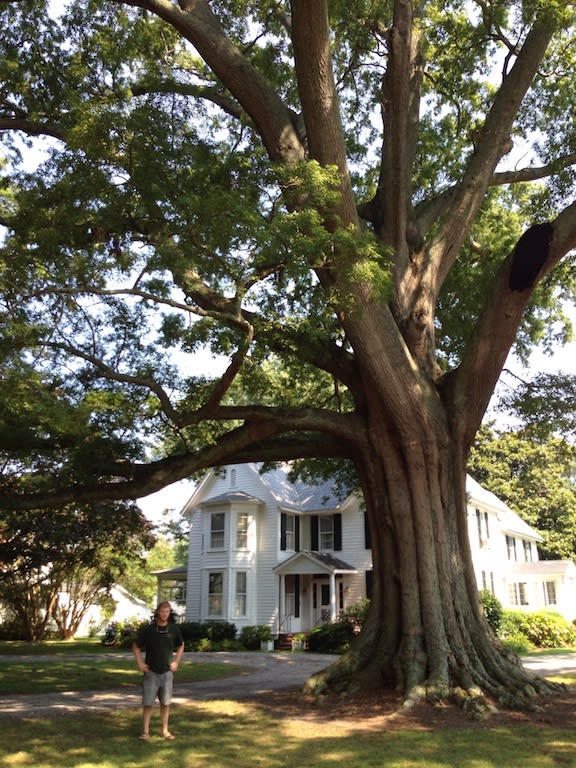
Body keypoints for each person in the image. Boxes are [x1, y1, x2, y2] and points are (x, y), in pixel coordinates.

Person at [132, 601, 185, 740]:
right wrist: (140, 663)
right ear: (157, 612)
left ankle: (165, 731)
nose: (164, 614)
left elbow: (181, 645)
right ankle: (145, 732)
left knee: (165, 703)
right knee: (148, 703)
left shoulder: (173, 629)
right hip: (151, 672)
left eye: (167, 612)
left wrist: (176, 662)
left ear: (169, 613)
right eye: (162, 611)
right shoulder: (149, 630)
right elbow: (136, 646)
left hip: (167, 672)